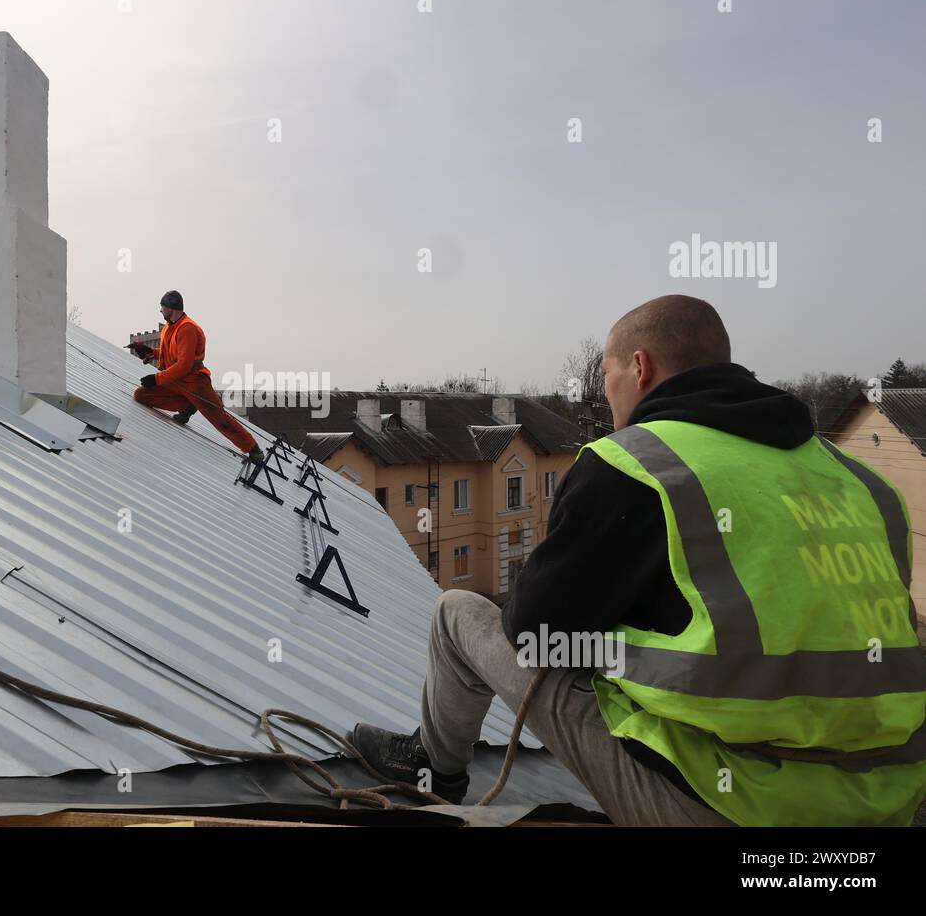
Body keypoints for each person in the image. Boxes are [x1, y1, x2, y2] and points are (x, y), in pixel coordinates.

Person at [350, 294, 926, 825]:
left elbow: (534, 631)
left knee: (457, 613)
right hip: (888, 799)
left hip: (734, 804)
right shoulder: (858, 479)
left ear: (641, 367)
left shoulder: (636, 462)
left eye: (608, 373)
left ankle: (432, 770)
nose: (606, 393)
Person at [130, 290, 264, 466]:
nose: (160, 310)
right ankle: (187, 405)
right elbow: (168, 354)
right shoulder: (169, 328)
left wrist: (157, 379)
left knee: (219, 419)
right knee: (141, 395)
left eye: (162, 307)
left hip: (194, 382)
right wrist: (148, 352)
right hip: (175, 380)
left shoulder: (187, 328)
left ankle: (253, 449)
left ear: (171, 307)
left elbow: (184, 365)